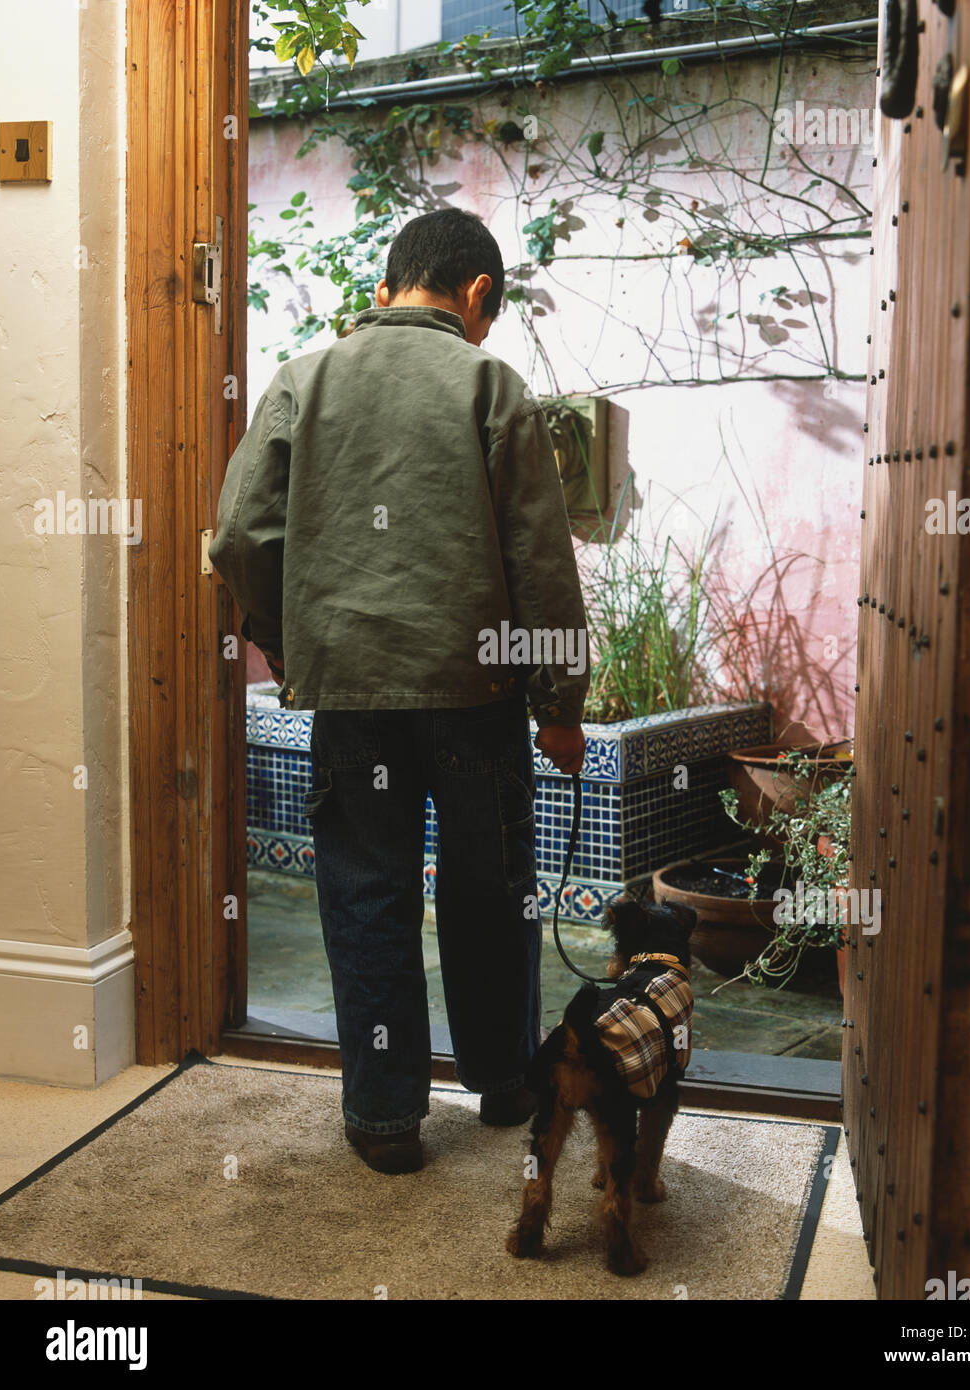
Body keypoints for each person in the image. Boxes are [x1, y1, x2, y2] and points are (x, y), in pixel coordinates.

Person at [210, 207, 589, 1174]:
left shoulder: (305, 378)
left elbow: (240, 539)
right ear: (476, 295)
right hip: (476, 691)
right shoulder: (490, 383)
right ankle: (503, 1085)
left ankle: (383, 1120)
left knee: (366, 894)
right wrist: (558, 704)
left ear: (385, 288)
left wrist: (285, 640)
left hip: (352, 694)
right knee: (488, 890)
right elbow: (539, 563)